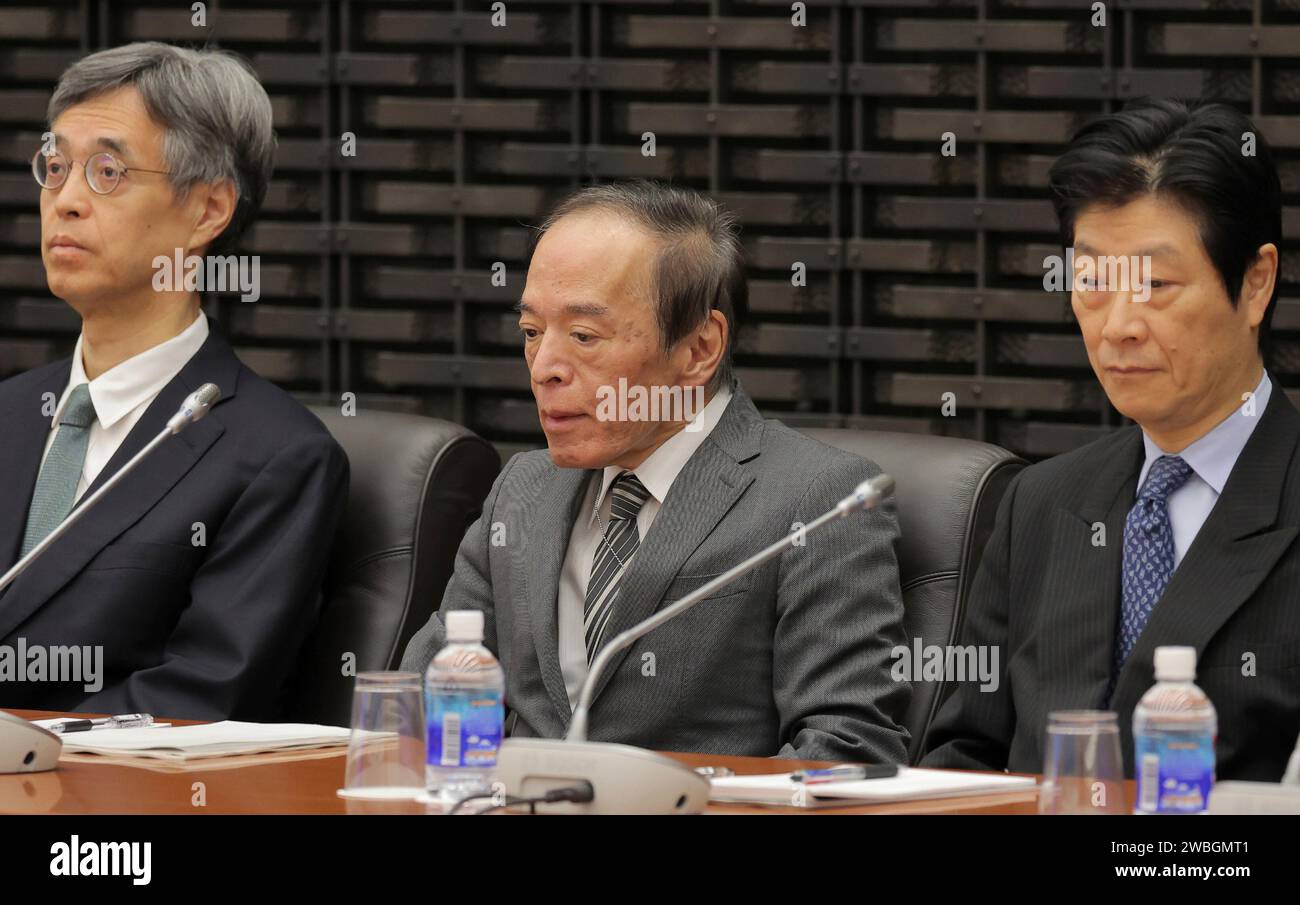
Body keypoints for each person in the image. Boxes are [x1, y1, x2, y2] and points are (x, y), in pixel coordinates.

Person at [401, 180, 910, 762]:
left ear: (698, 348)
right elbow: (421, 707)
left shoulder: (816, 499)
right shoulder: (525, 487)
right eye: (531, 332)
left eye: (584, 336)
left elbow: (847, 753)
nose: (543, 368)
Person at [923, 98, 1300, 781]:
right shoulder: (1039, 503)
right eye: (1092, 281)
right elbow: (965, 758)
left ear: (1255, 283)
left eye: (1155, 284)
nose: (1118, 324)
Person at [0, 43, 348, 721]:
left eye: (107, 171)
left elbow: (197, 698)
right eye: (56, 166)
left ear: (208, 210)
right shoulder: (7, 414)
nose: (65, 201)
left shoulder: (277, 458)